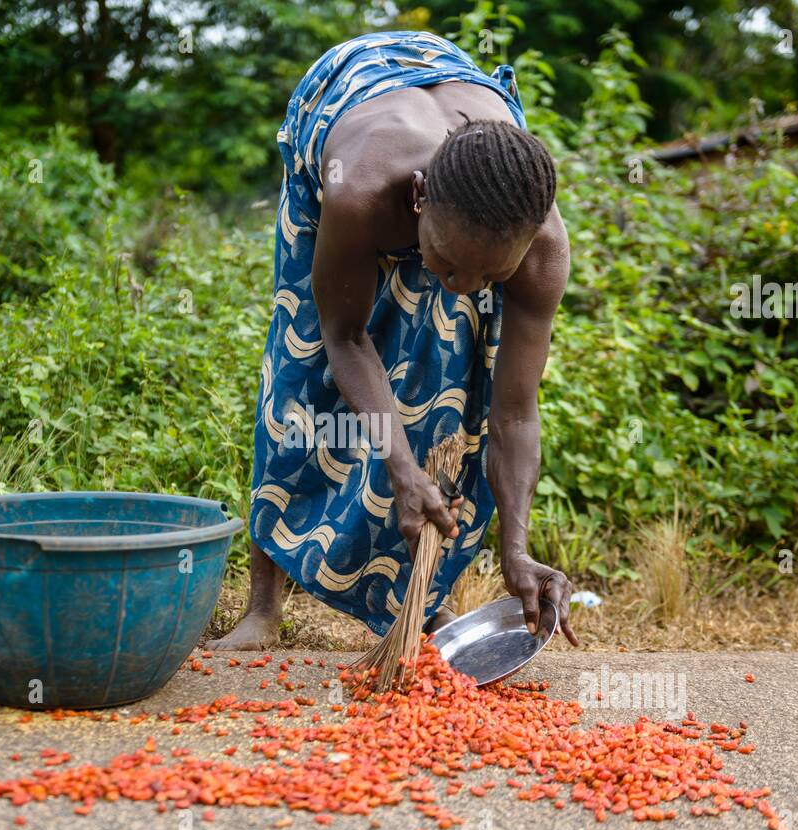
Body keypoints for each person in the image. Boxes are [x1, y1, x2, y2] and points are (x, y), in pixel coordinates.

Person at [209, 31, 579, 652]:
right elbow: (344, 336)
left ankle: (420, 604)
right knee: (300, 365)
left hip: (460, 108)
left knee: (455, 375)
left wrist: (516, 548)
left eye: (491, 276)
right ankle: (263, 609)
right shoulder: (358, 191)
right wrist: (401, 470)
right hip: (343, 94)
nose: (464, 289)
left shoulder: (540, 250)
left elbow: (515, 412)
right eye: (449, 262)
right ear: (417, 201)